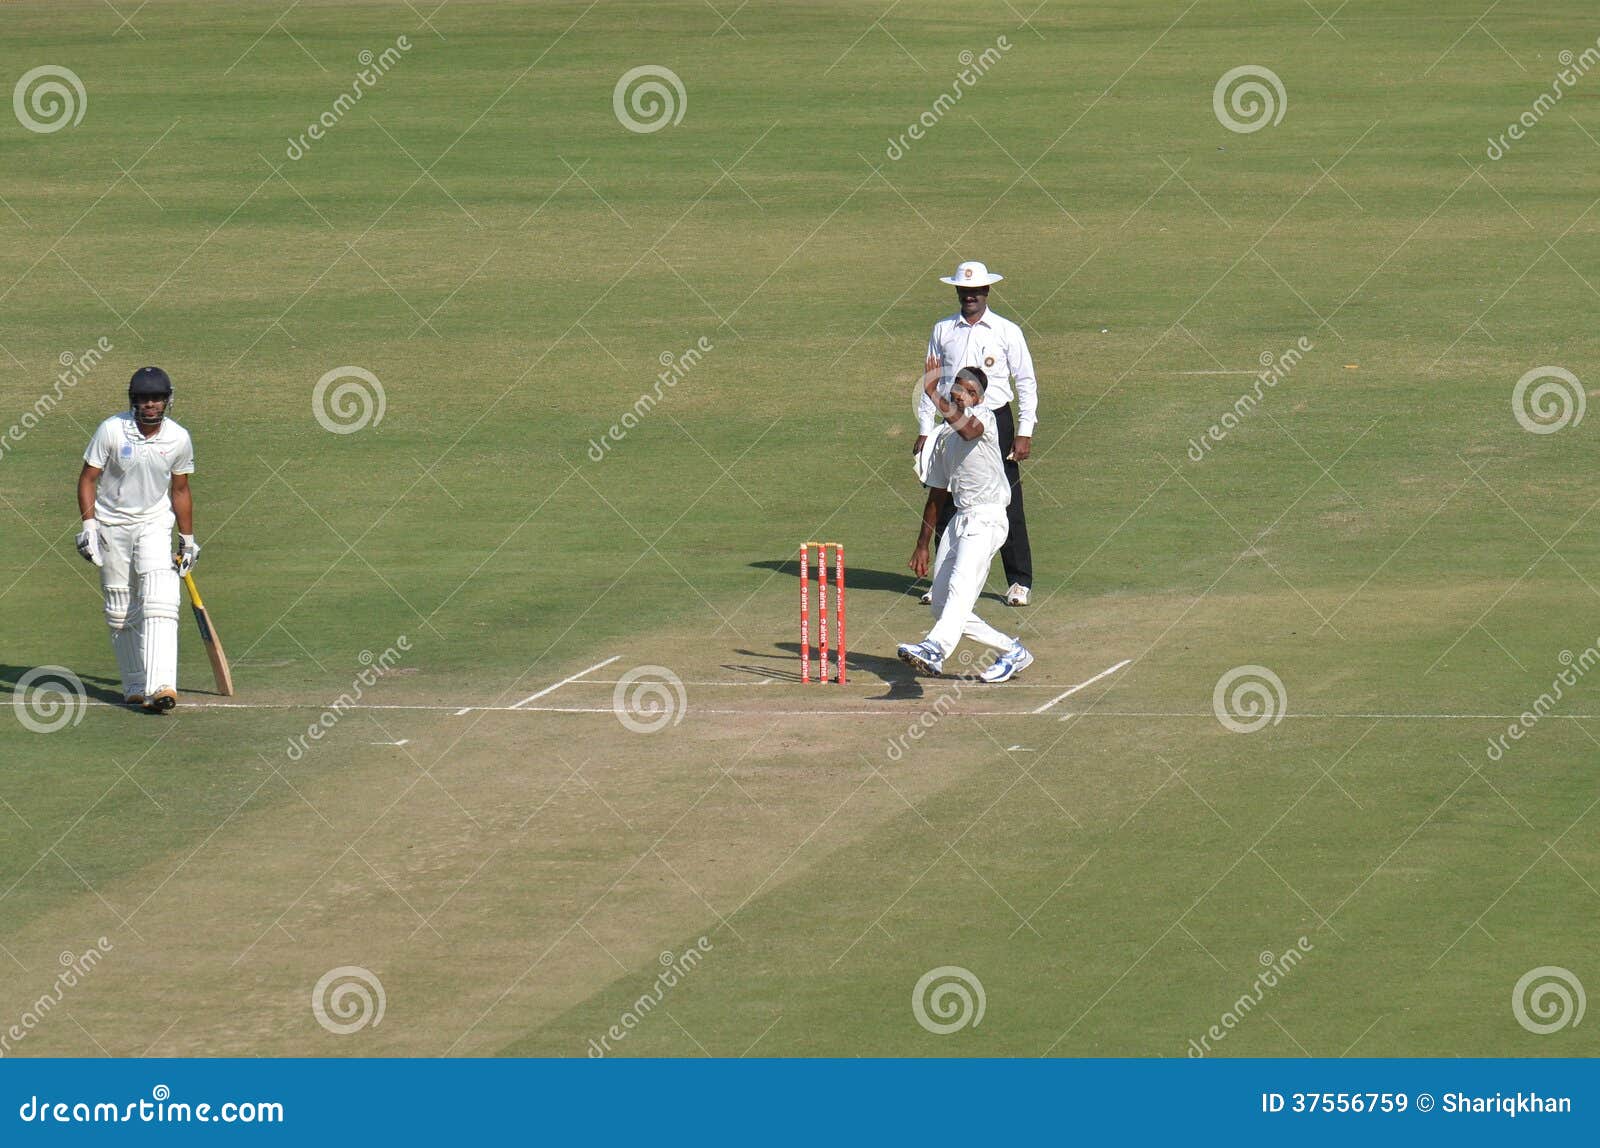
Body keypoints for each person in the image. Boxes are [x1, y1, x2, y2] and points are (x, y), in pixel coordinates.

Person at [75, 367, 199, 712]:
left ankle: (161, 685)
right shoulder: (112, 430)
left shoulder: (178, 437)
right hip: (112, 525)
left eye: (156, 398)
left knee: (161, 598)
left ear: (167, 400)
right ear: (133, 401)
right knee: (119, 608)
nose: (150, 405)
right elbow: (87, 479)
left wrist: (187, 540)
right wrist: (90, 527)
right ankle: (133, 684)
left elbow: (181, 488)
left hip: (154, 524)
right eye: (144, 399)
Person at [914, 259, 1037, 607]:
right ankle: (944, 579)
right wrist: (926, 430)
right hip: (951, 420)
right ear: (958, 291)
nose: (969, 296)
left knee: (1006, 499)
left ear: (986, 291)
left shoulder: (1006, 330)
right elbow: (931, 380)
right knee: (946, 496)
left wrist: (1025, 430)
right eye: (964, 291)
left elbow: (1025, 380)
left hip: (994, 420)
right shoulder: (942, 330)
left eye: (975, 291)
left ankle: (1018, 581)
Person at [899, 367, 1033, 683]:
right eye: (959, 386)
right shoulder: (944, 437)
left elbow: (968, 430)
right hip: (961, 518)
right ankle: (1011, 651)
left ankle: (935, 649)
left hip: (987, 517)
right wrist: (922, 544)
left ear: (979, 399)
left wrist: (933, 393)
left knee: (961, 587)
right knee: (942, 604)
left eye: (971, 391)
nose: (964, 393)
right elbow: (936, 493)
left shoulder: (982, 419)